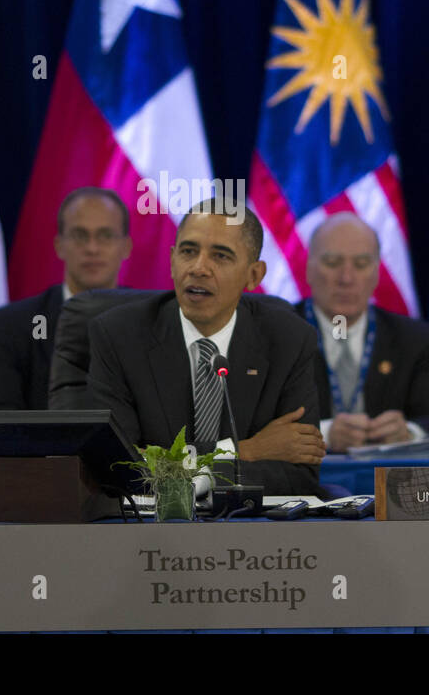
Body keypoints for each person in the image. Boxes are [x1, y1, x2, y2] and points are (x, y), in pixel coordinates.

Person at [86, 199, 326, 494]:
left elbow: (300, 474)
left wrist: (196, 471)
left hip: (253, 532)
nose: (199, 268)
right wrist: (242, 451)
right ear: (173, 260)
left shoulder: (289, 340)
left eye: (221, 256)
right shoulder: (118, 336)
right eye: (188, 252)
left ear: (254, 275)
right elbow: (119, 468)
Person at [297, 212, 429, 453]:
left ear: (377, 273)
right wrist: (323, 433)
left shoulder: (414, 339)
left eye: (361, 264)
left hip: (384, 481)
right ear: (308, 269)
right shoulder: (277, 332)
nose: (346, 278)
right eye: (332, 263)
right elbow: (255, 423)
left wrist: (408, 432)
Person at [0, 188, 132, 410]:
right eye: (79, 235)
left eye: (105, 235)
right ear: (59, 246)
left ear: (126, 247)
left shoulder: (156, 321)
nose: (92, 248)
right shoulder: (15, 325)